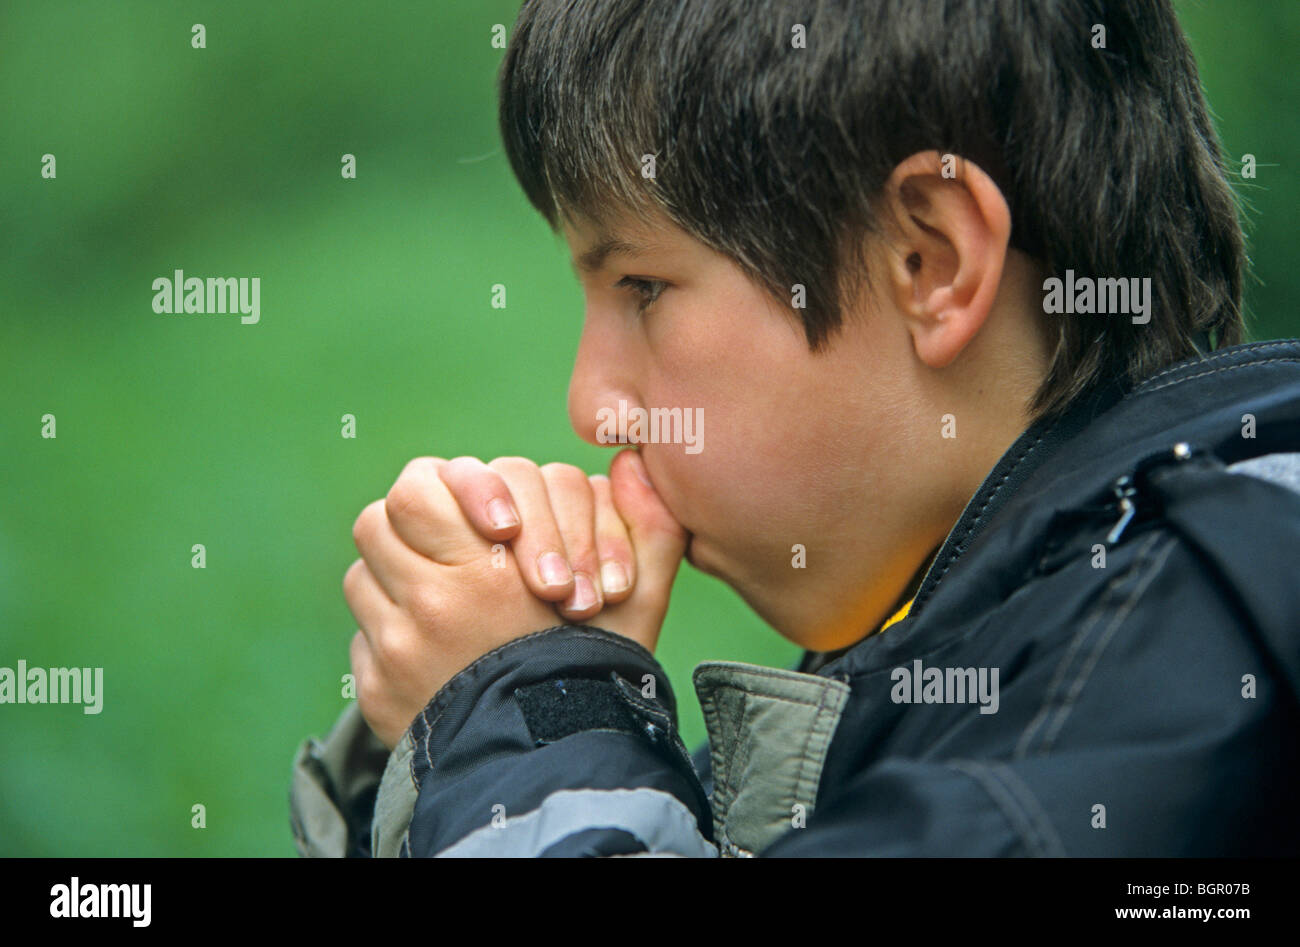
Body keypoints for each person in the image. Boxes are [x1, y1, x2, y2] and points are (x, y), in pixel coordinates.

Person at [290, 0, 1300, 857]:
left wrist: (521, 720)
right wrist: (449, 723)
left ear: (930, 262)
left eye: (643, 285)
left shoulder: (1188, 654)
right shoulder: (1000, 626)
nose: (591, 404)